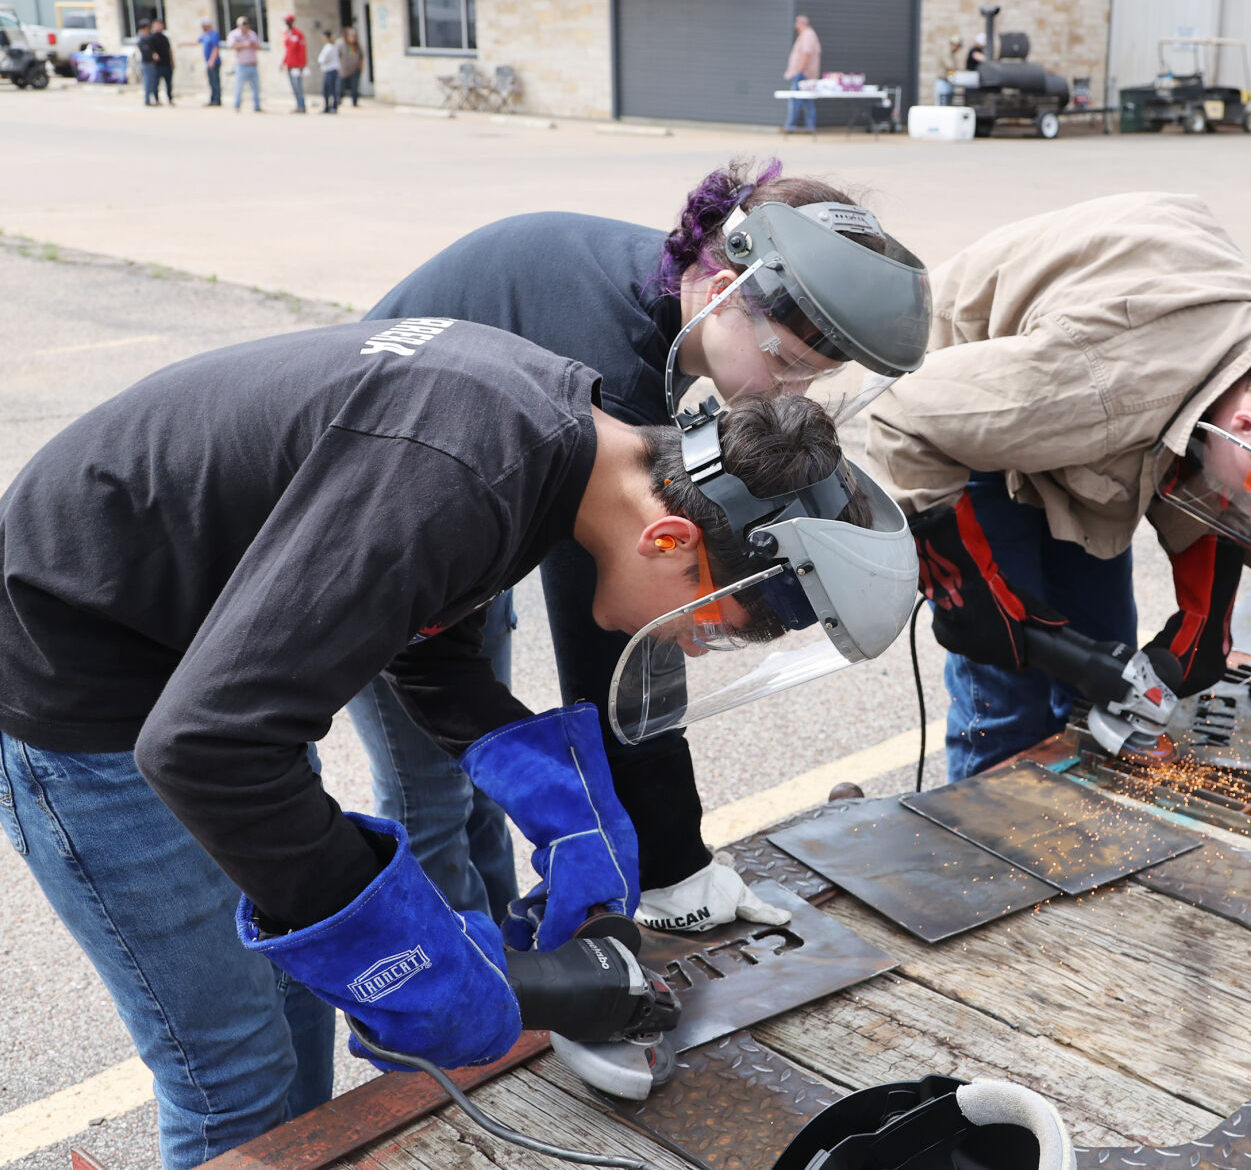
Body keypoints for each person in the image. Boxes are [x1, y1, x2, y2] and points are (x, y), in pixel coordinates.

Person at [0, 316, 883, 1168]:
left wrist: (560, 801)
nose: (691, 645)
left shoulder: (554, 446)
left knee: (294, 1005)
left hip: (207, 662)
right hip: (84, 664)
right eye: (712, 624)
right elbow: (208, 750)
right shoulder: (464, 472)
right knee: (235, 1068)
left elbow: (420, 640)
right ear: (669, 537)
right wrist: (428, 958)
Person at [356, 159, 929, 933]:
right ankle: (458, 979)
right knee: (431, 793)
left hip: (470, 517)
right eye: (787, 364)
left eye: (814, 378)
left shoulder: (662, 295)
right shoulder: (607, 370)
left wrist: (663, 850)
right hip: (377, 540)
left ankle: (497, 947)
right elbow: (622, 648)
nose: (789, 393)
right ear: (724, 287)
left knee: (475, 779)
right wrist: (672, 865)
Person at [867, 193, 1251, 780]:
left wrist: (1203, 619)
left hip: (1078, 405)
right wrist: (958, 582)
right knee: (1010, 686)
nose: (1245, 514)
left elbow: (1206, 447)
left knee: (1105, 653)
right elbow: (902, 413)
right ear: (1248, 429)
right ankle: (982, 815)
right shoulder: (1105, 384)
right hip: (965, 421)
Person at [782, 13, 821, 133]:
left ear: (801, 23)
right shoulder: (807, 34)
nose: (795, 25)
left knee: (796, 100)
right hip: (805, 74)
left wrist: (800, 70)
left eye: (797, 23)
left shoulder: (808, 35)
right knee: (807, 100)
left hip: (803, 74)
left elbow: (806, 53)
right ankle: (809, 126)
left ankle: (790, 126)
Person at [230, 14, 261, 112]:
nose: (245, 26)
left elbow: (259, 46)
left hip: (252, 64)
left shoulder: (252, 34)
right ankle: (237, 105)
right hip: (241, 65)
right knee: (239, 87)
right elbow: (231, 45)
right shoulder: (234, 35)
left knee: (256, 87)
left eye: (246, 24)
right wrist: (244, 44)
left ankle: (257, 106)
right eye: (243, 24)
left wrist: (252, 44)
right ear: (238, 25)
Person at [139, 19, 172, 106]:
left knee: (167, 83)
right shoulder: (147, 38)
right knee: (152, 83)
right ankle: (152, 99)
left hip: (166, 63)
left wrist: (172, 61)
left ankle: (169, 99)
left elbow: (169, 50)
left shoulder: (164, 37)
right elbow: (148, 50)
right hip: (154, 64)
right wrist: (153, 56)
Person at [279, 12, 307, 113]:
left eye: (288, 21)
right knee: (294, 87)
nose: (287, 23)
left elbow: (302, 50)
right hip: (289, 64)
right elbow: (288, 50)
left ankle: (302, 106)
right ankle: (298, 105)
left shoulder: (298, 34)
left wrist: (302, 64)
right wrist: (283, 62)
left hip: (297, 65)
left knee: (298, 86)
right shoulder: (286, 34)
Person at [338, 26, 364, 108]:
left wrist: (361, 66)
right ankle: (339, 100)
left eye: (355, 36)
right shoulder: (340, 44)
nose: (353, 37)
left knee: (354, 85)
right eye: (351, 36)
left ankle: (355, 101)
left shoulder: (356, 45)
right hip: (343, 69)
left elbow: (361, 56)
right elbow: (337, 56)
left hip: (355, 69)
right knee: (341, 85)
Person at [934, 35, 964, 105]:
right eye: (958, 46)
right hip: (943, 81)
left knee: (948, 103)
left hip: (948, 81)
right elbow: (950, 67)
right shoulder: (946, 52)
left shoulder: (952, 54)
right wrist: (960, 71)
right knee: (943, 103)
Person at [199, 17, 222, 106]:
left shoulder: (214, 35)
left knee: (215, 81)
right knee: (211, 82)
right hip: (208, 62)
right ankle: (213, 99)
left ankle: (217, 100)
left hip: (214, 63)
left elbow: (216, 48)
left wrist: (212, 60)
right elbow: (197, 41)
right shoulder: (205, 35)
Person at [317, 27, 340, 113]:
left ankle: (333, 107)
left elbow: (322, 59)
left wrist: (321, 60)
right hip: (328, 70)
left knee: (331, 90)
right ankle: (327, 106)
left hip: (331, 70)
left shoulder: (330, 47)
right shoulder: (330, 46)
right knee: (326, 90)